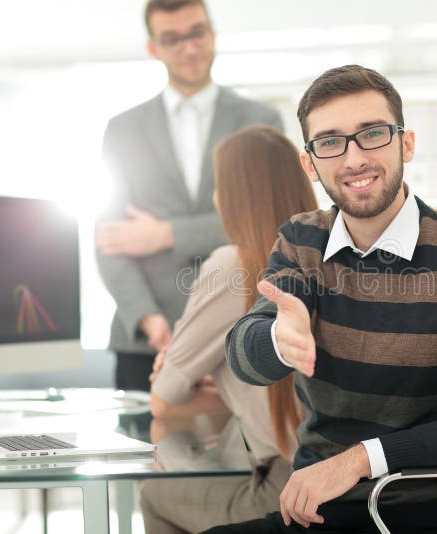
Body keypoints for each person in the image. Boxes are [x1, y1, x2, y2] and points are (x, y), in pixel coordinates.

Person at [208, 65, 437, 533]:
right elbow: (244, 356)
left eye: (372, 134)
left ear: (406, 143)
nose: (354, 158)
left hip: (406, 519)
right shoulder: (303, 241)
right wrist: (280, 339)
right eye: (330, 142)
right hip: (313, 516)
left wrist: (359, 460)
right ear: (311, 164)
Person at [95, 0, 283, 391]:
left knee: (246, 452)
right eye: (172, 38)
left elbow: (266, 224)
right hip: (147, 340)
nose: (189, 48)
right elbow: (109, 240)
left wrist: (165, 234)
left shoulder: (260, 122)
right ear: (154, 48)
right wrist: (147, 318)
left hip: (239, 332)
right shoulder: (122, 129)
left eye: (197, 33)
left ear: (212, 34)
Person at [140, 125, 319, 534]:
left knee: (156, 493)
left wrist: (187, 381)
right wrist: (218, 384)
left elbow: (162, 400)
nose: (216, 200)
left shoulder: (232, 266)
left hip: (286, 490)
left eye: (220, 188)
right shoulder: (328, 259)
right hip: (322, 479)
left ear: (238, 197)